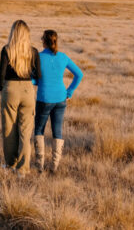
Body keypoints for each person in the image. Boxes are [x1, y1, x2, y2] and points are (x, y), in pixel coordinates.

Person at [33, 29, 83, 173]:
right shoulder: (63, 57)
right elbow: (79, 74)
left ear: (44, 41)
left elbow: (33, 78)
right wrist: (70, 91)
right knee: (57, 131)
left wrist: (37, 81)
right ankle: (54, 166)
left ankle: (40, 165)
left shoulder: (38, 57)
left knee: (39, 130)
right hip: (61, 98)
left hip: (44, 98)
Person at [0, 19, 42, 172]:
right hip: (28, 90)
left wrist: (2, 88)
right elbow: (39, 74)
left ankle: (11, 164)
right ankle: (23, 169)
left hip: (10, 89)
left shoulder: (6, 50)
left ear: (13, 33)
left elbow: (0, 74)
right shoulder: (33, 51)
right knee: (25, 131)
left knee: (9, 128)